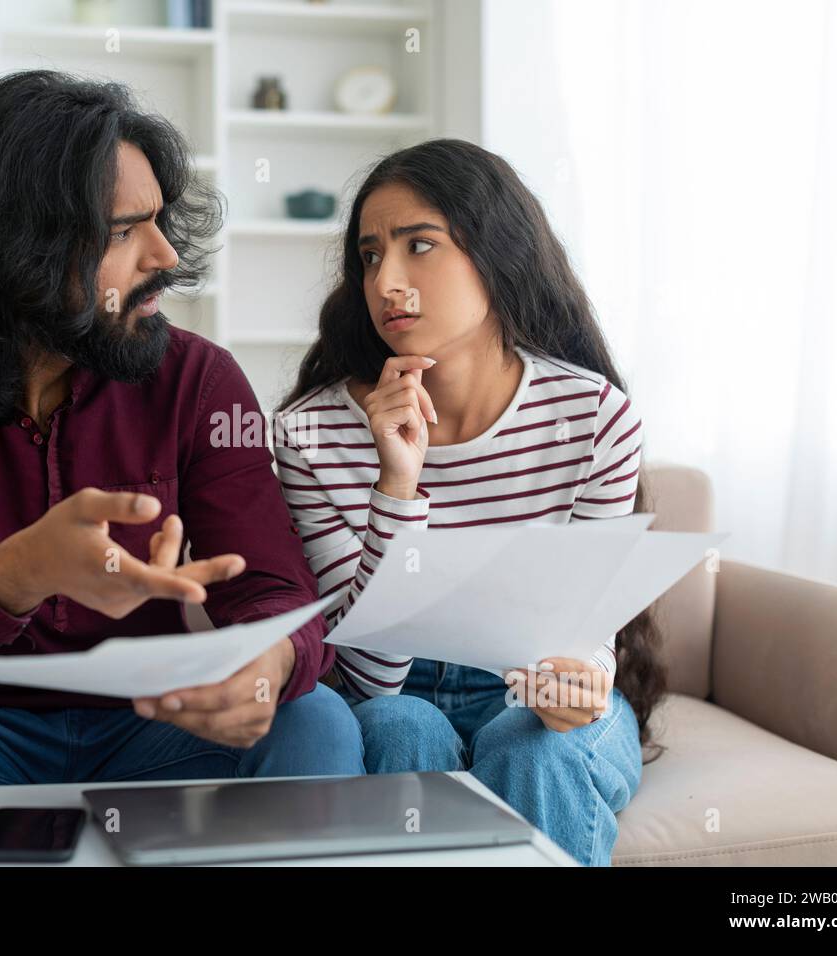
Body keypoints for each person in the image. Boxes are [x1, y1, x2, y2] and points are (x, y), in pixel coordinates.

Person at [0, 71, 364, 866]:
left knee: (316, 721)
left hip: (160, 728)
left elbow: (279, 593)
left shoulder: (199, 379)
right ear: (19, 248)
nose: (167, 256)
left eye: (159, 223)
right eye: (123, 232)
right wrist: (13, 573)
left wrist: (269, 663)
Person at [274, 139, 666, 867]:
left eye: (419, 245)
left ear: (497, 254)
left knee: (535, 747)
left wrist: (579, 681)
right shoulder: (314, 434)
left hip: (536, 681)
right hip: (399, 684)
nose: (387, 281)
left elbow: (587, 628)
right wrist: (398, 483)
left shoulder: (592, 415)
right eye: (369, 256)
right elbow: (369, 677)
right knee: (396, 725)